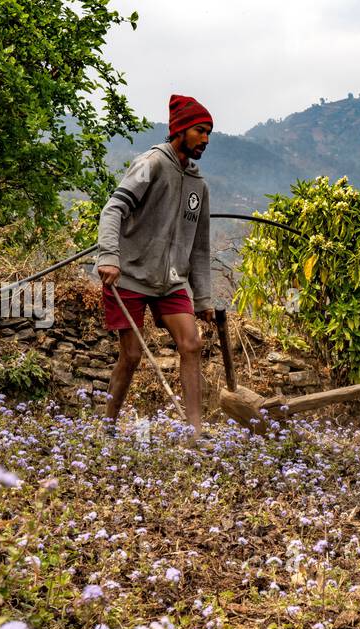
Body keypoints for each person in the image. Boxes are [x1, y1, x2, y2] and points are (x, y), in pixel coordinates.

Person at [96, 93, 214, 437]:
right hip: (130, 275)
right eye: (200, 131)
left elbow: (201, 248)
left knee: (191, 343)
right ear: (179, 130)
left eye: (209, 133)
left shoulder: (198, 184)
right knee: (131, 355)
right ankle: (108, 426)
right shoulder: (151, 163)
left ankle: (194, 432)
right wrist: (108, 257)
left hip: (172, 281)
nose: (205, 140)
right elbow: (113, 210)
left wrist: (204, 298)